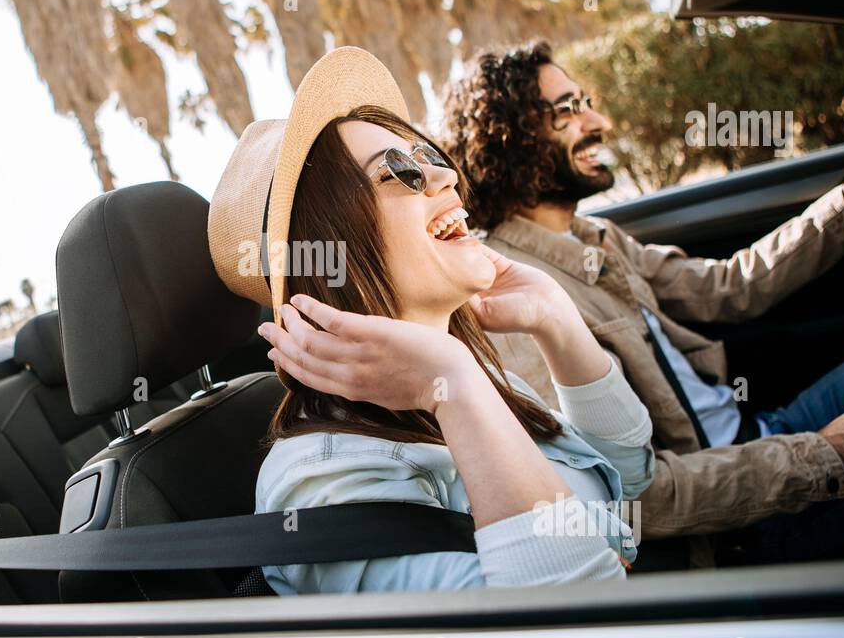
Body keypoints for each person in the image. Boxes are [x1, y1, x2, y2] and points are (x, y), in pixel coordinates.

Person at [441, 41, 844, 566]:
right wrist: (829, 451)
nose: (600, 119)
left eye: (586, 100)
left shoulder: (594, 236)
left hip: (767, 435)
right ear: (508, 134)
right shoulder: (509, 297)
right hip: (744, 523)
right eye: (569, 109)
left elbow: (732, 286)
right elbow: (634, 499)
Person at [206, 46, 657, 594]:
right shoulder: (323, 483)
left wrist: (554, 317)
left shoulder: (481, 378)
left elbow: (628, 483)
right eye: (398, 171)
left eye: (427, 153)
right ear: (332, 251)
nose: (445, 174)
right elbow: (572, 631)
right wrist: (457, 389)